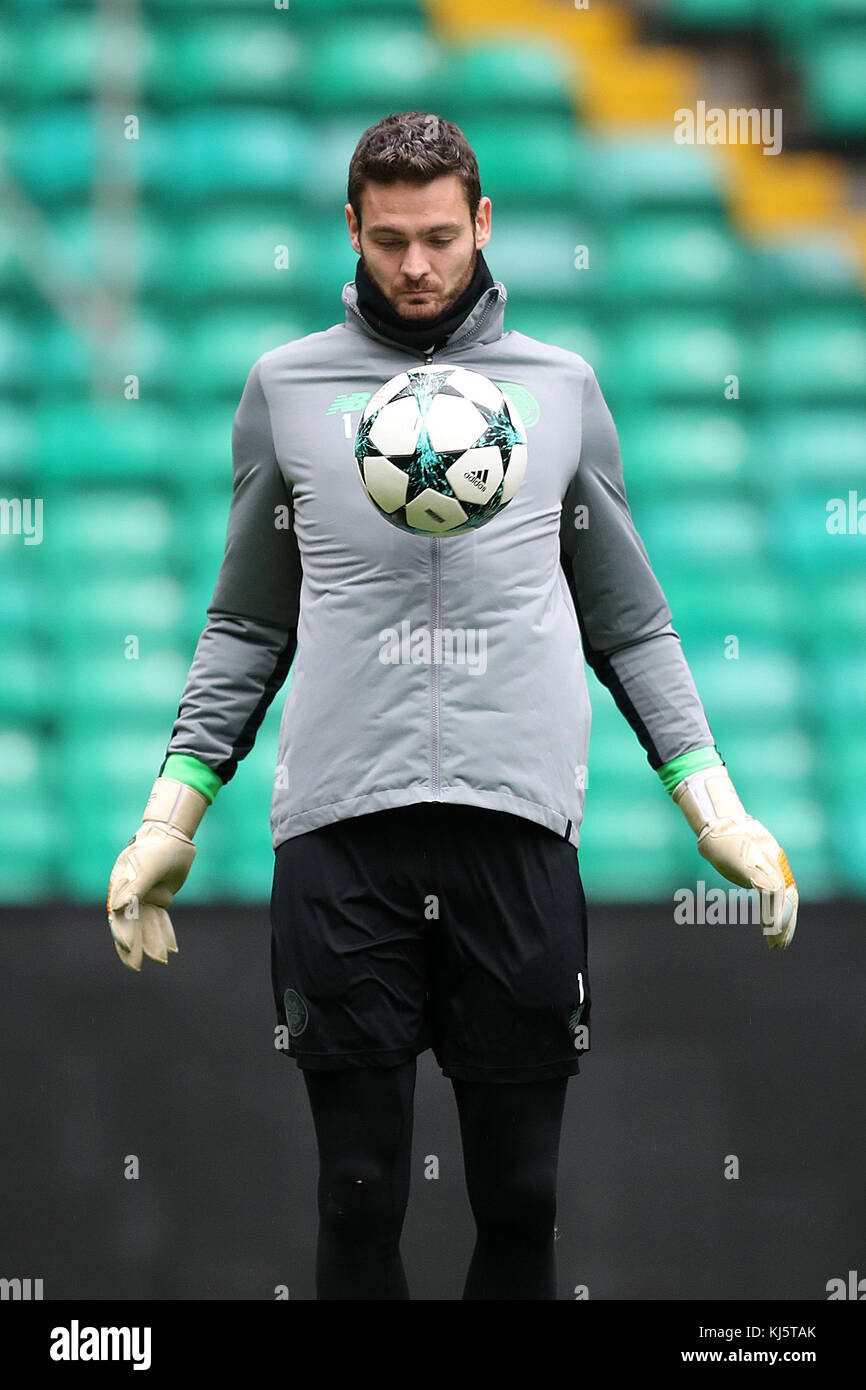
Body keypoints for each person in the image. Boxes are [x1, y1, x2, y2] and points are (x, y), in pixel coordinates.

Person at [106, 111, 798, 1300]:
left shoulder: (562, 390)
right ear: (352, 232)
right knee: (359, 1192)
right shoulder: (285, 388)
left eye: (437, 238)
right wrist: (169, 820)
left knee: (521, 1196)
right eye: (388, 242)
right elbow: (247, 623)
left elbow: (626, 619)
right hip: (340, 837)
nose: (415, 268)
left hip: (516, 832)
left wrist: (713, 806)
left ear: (482, 224)